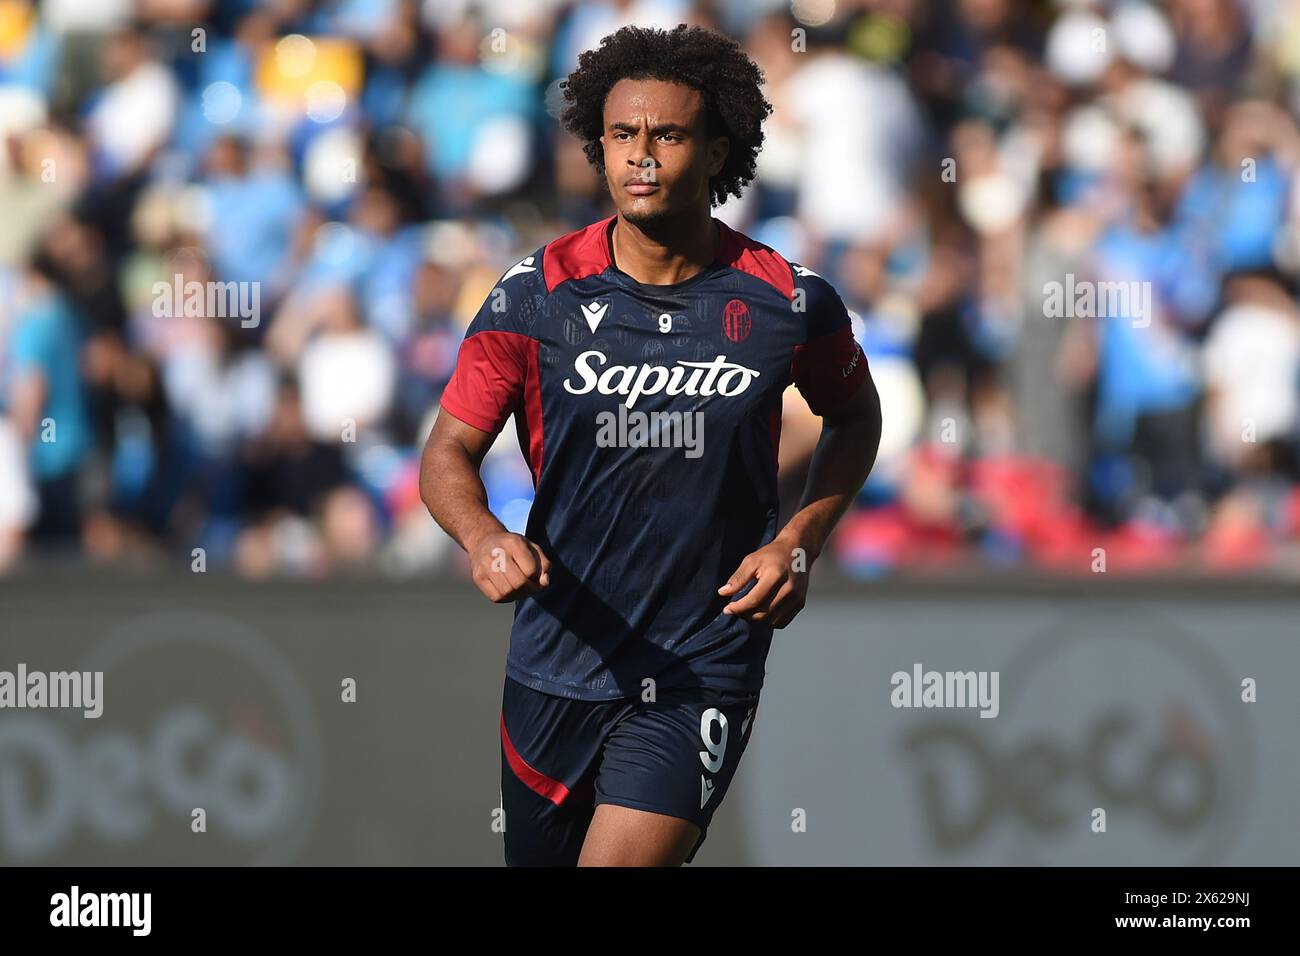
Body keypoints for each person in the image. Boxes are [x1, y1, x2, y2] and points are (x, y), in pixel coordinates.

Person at [420, 24, 882, 867]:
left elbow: (855, 418)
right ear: (597, 148)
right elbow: (447, 451)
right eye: (623, 135)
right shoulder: (536, 297)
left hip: (702, 658)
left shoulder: (788, 301)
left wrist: (798, 542)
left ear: (716, 152)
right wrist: (484, 537)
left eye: (668, 135)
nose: (642, 155)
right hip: (560, 652)